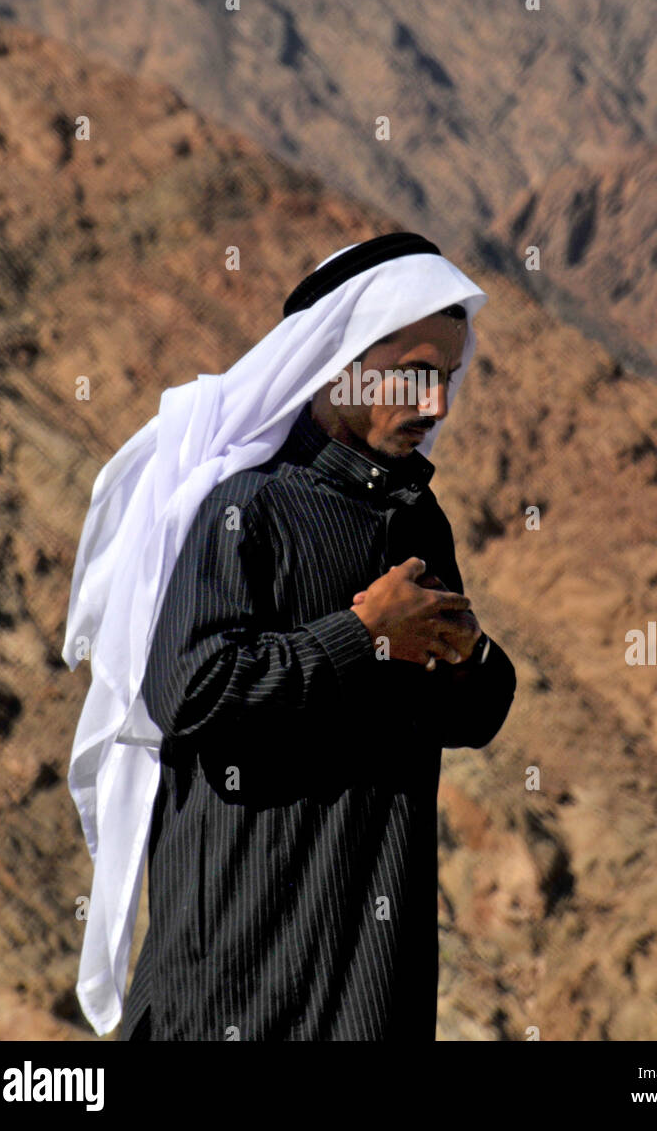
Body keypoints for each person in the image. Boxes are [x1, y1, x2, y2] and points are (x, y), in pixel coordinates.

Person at [64, 232, 516, 1041]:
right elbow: (191, 691)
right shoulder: (247, 507)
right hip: (236, 972)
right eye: (412, 375)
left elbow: (467, 718)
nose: (434, 405)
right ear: (336, 362)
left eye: (445, 379)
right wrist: (359, 634)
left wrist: (468, 661)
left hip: (372, 976)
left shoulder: (414, 518)